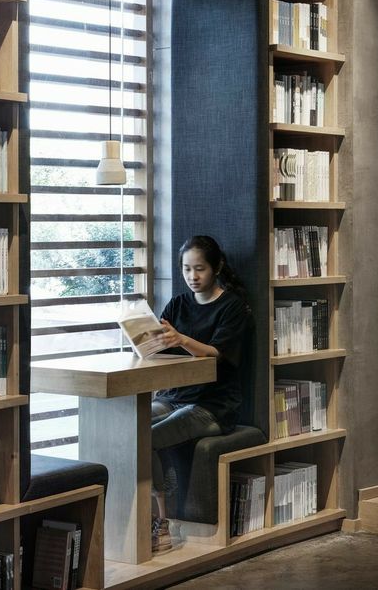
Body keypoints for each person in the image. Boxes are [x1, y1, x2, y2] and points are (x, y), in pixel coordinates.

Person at [151, 235, 253, 553]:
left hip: (214, 407)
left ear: (216, 267)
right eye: (186, 269)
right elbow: (159, 347)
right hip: (173, 396)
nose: (193, 277)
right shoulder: (179, 304)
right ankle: (141, 517)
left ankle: (162, 524)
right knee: (130, 428)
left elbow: (214, 354)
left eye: (200, 269)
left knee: (148, 439)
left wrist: (180, 338)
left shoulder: (232, 307)